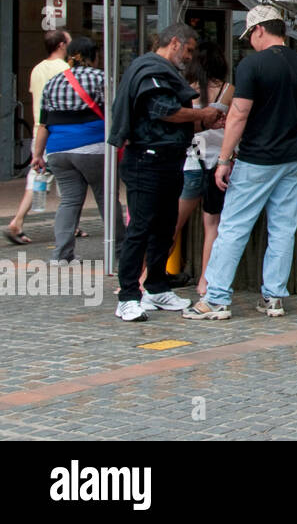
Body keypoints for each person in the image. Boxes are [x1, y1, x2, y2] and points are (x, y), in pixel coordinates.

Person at [185, 6, 297, 321]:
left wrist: (223, 160)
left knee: (234, 226)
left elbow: (238, 114)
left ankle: (216, 298)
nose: (250, 42)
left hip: (257, 158)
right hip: (292, 159)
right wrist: (287, 118)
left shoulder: (252, 65)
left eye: (250, 36)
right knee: (283, 229)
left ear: (260, 30)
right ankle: (274, 297)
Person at [108, 24, 223, 322]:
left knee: (164, 225)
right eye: (187, 50)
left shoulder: (158, 70)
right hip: (146, 159)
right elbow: (163, 110)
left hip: (169, 158)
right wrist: (202, 114)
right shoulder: (151, 69)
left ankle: (156, 286)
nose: (189, 57)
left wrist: (203, 123)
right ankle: (128, 296)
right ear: (174, 42)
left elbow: (169, 118)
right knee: (142, 227)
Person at [30, 37, 124, 263]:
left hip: (57, 151)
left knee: (69, 201)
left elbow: (43, 124)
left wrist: (37, 155)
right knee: (107, 198)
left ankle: (62, 255)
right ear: (94, 56)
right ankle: (121, 252)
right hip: (93, 148)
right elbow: (117, 113)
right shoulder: (101, 78)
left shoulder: (52, 83)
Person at [174, 41, 235, 294]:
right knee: (213, 226)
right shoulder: (227, 90)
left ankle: (143, 278)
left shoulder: (185, 90)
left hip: (190, 161)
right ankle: (204, 282)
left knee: (173, 224)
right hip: (217, 165)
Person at [6, 29, 70, 245]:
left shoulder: (36, 69)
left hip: (39, 130)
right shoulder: (65, 69)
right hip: (59, 132)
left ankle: (72, 224)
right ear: (61, 45)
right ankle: (17, 221)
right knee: (49, 180)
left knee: (47, 179)